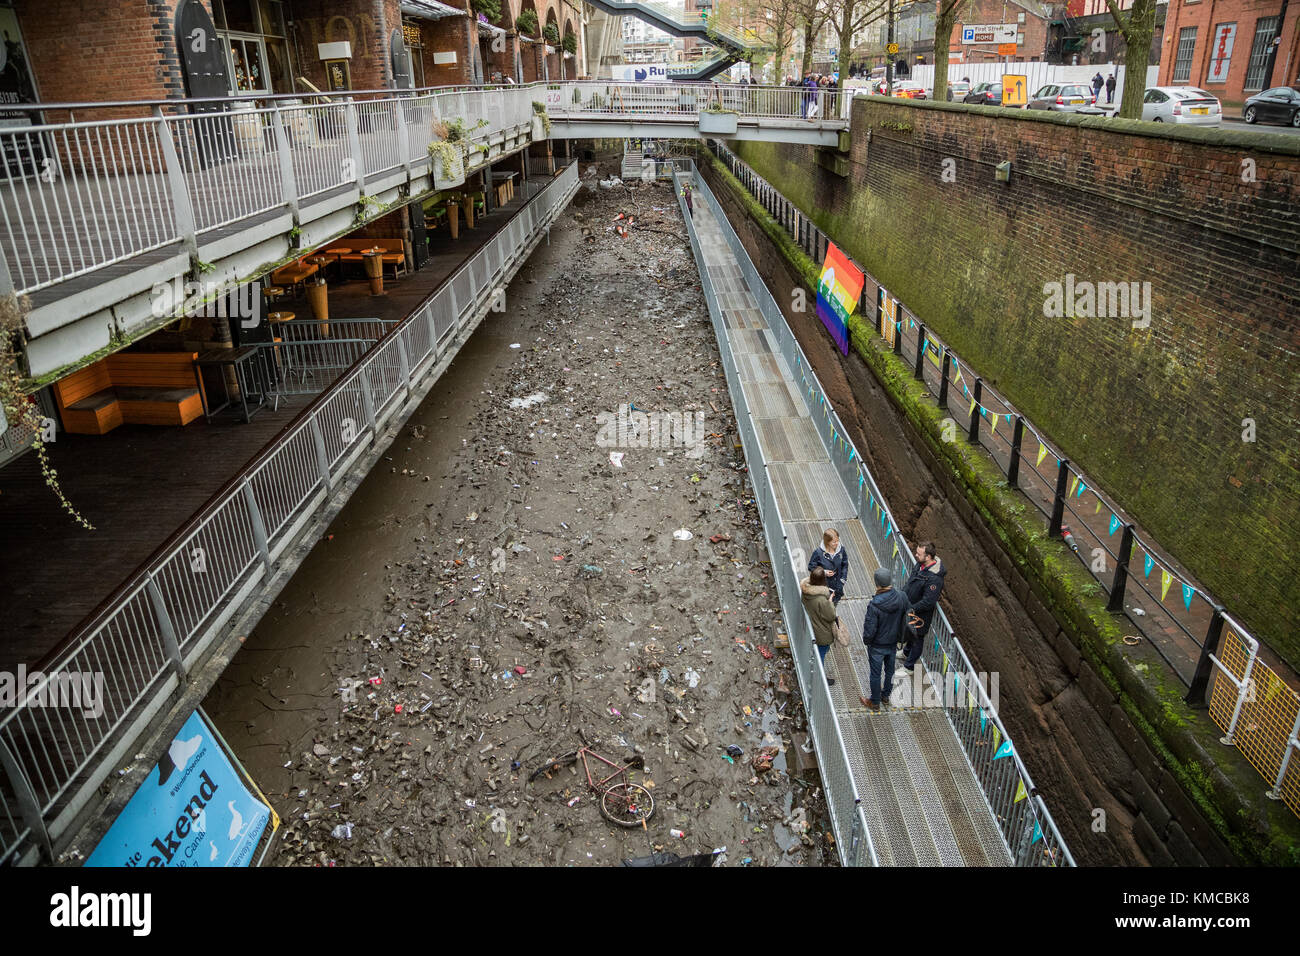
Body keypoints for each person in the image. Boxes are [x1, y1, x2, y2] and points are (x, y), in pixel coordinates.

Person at [859, 568, 908, 710]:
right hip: (893, 642)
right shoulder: (902, 596)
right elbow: (908, 614)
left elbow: (870, 628)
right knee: (890, 670)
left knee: (875, 674)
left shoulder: (874, 605)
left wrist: (867, 641)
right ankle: (886, 696)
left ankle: (874, 702)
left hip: (877, 645)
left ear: (877, 584)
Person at [901, 541, 946, 672]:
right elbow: (911, 582)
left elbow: (929, 601)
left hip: (920, 614)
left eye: (919, 554)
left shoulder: (935, 579)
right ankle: (905, 653)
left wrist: (912, 609)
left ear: (928, 557)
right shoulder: (921, 565)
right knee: (910, 632)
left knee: (917, 638)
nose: (915, 555)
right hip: (910, 606)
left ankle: (909, 667)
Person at [800, 568, 839, 686]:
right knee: (821, 654)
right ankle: (821, 679)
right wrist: (830, 601)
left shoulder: (806, 591)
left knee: (820, 651)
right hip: (822, 632)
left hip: (812, 626)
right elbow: (831, 616)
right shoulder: (822, 599)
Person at [807, 528, 848, 605]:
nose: (837, 543)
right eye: (834, 542)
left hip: (836, 587)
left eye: (838, 540)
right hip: (822, 587)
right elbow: (811, 567)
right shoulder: (818, 553)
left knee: (833, 607)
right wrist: (824, 572)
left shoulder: (841, 550)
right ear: (827, 542)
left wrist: (843, 579)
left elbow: (845, 564)